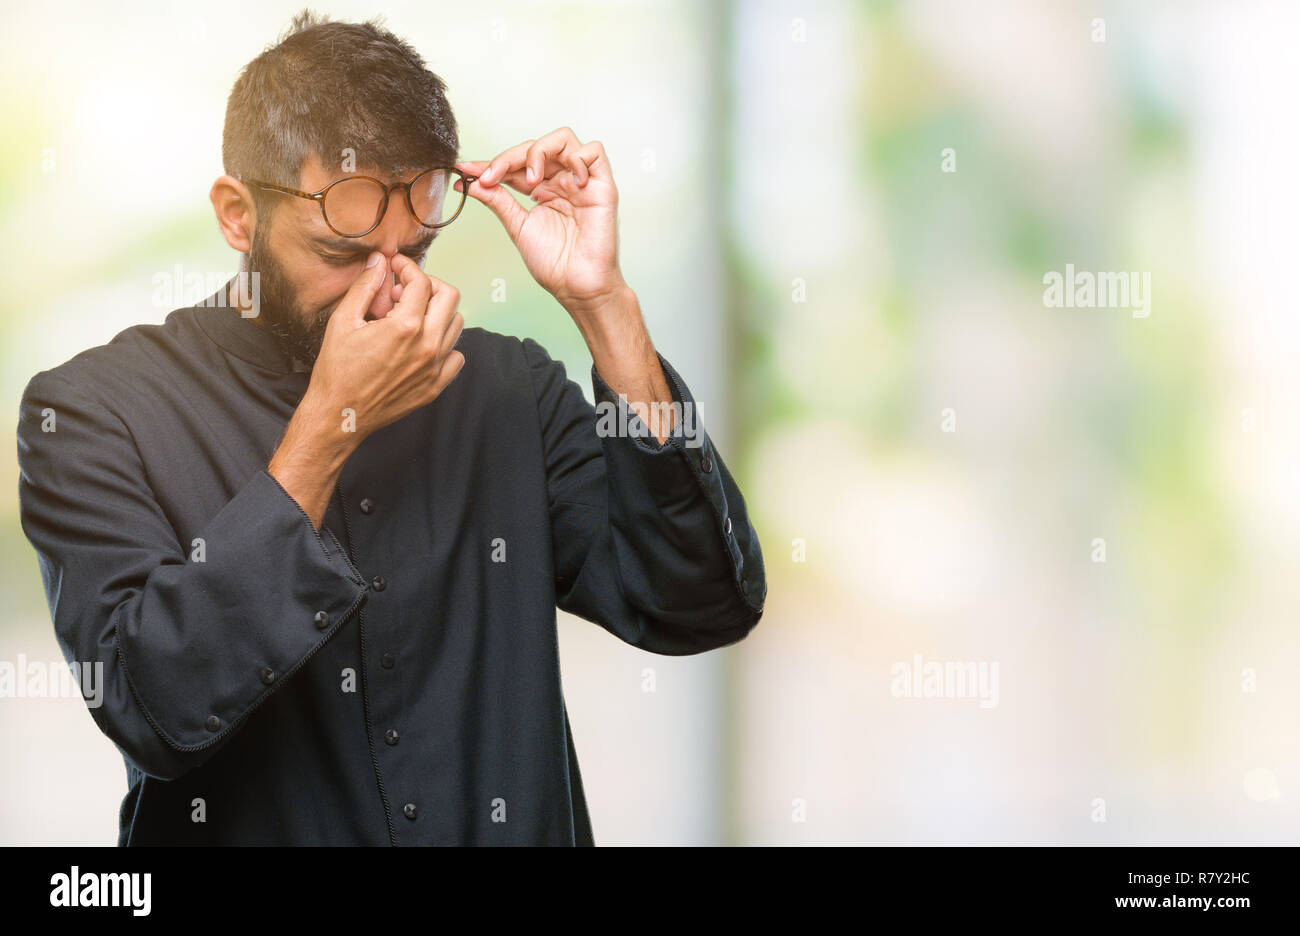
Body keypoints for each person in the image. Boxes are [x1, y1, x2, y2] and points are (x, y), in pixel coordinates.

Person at [16, 11, 764, 846]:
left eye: (412, 249)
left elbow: (698, 604)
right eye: (340, 254)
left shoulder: (506, 387)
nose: (386, 288)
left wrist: (604, 305)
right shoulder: (91, 412)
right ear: (238, 216)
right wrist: (330, 427)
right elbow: (153, 708)